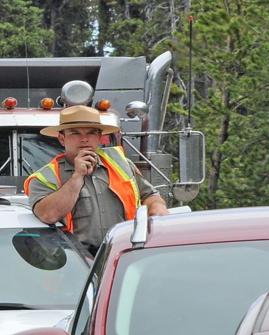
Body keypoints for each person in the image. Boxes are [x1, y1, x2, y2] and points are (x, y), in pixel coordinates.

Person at [25, 105, 169, 257]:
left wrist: (157, 208)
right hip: (78, 262)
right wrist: (77, 175)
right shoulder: (45, 177)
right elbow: (48, 215)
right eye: (75, 133)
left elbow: (149, 194)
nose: (85, 139)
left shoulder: (121, 163)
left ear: (100, 137)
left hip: (126, 254)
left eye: (91, 133)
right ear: (62, 138)